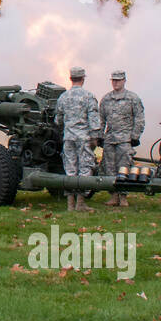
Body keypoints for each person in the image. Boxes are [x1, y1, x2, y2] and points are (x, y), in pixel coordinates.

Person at [54, 66, 101, 212]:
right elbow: (94, 120)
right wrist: (95, 138)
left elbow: (58, 120)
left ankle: (70, 205)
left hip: (68, 138)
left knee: (70, 170)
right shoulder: (88, 96)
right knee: (85, 169)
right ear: (83, 79)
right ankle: (80, 203)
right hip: (83, 139)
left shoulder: (63, 97)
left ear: (70, 78)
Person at [99, 69, 144, 207]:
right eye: (113, 80)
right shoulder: (106, 99)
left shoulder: (132, 98)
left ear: (124, 80)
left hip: (125, 140)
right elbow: (101, 120)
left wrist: (135, 136)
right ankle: (113, 196)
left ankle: (123, 197)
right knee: (109, 168)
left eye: (118, 80)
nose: (116, 83)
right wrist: (100, 136)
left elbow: (139, 119)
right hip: (110, 139)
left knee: (124, 168)